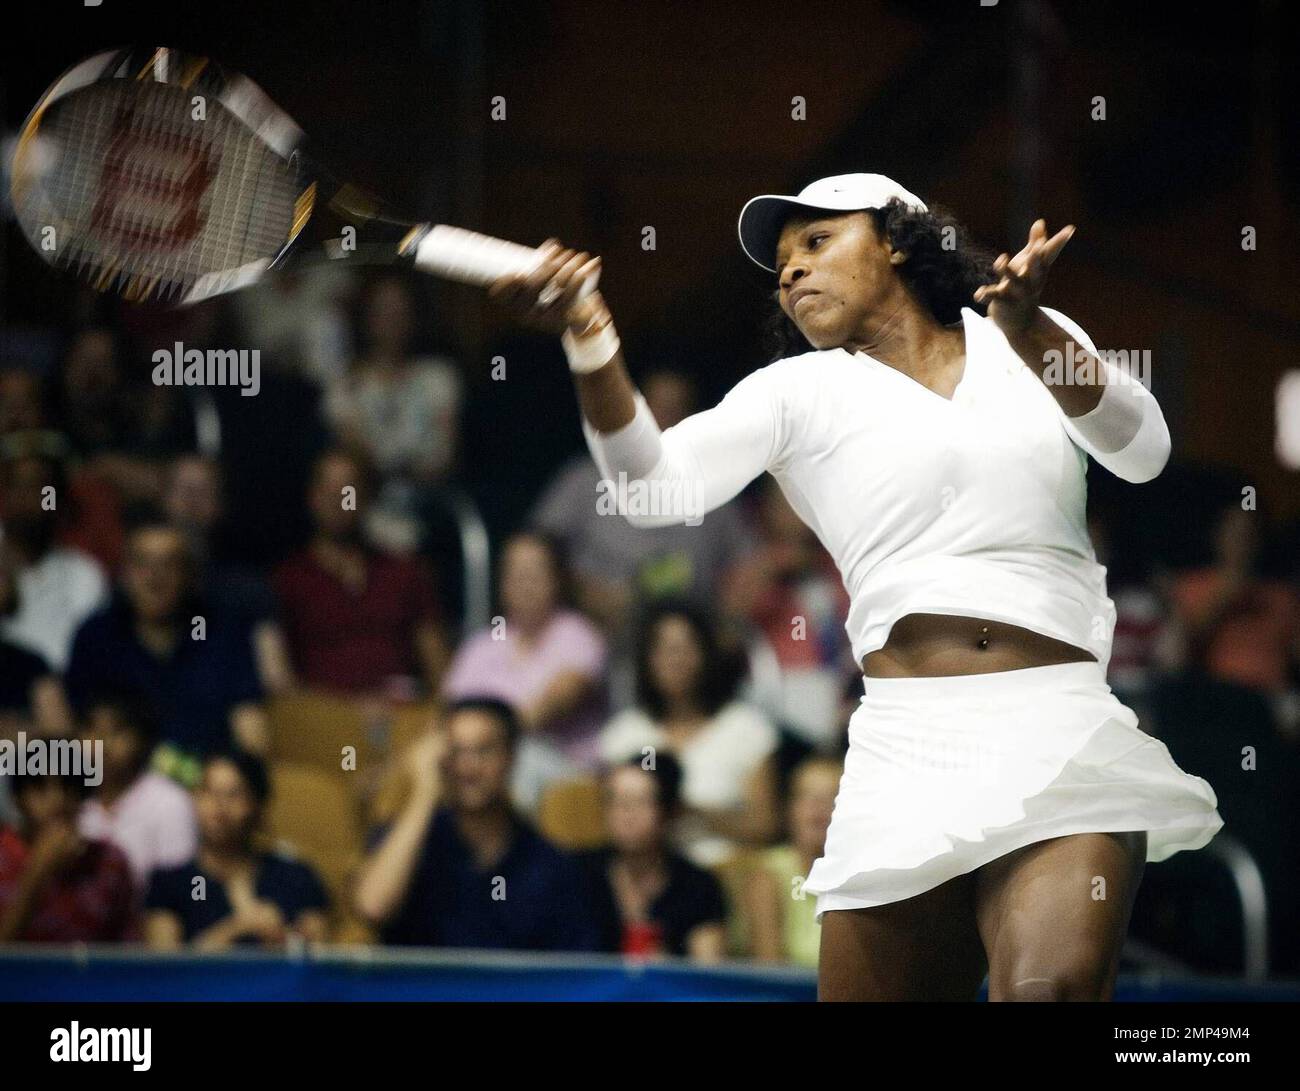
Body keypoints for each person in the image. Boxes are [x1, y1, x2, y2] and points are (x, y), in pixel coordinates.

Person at [487, 172, 1223, 1001]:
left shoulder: (1025, 342)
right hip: (902, 748)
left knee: (1046, 993)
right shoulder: (800, 391)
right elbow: (649, 487)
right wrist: (587, 333)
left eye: (816, 241)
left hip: (1057, 722)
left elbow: (1145, 449)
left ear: (899, 239)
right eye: (780, 264)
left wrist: (1033, 334)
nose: (791, 271)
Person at [354, 697, 600, 951]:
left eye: (484, 751)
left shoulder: (551, 866)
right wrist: (425, 791)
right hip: (420, 990)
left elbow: (572, 974)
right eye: (456, 751)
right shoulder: (408, 840)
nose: (468, 768)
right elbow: (373, 908)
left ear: (511, 757)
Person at [64, 519, 267, 782]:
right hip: (117, 790)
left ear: (190, 575)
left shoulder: (222, 634)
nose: (155, 577)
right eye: (142, 564)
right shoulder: (96, 637)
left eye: (168, 564)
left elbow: (251, 731)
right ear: (124, 573)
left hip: (204, 793)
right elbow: (73, 733)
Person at [599, 599, 779, 867]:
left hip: (727, 877)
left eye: (686, 647)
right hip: (646, 876)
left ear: (707, 654)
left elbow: (766, 826)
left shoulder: (747, 730)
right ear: (647, 660)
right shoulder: (623, 736)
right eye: (664, 649)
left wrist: (694, 815)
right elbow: (608, 825)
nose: (676, 660)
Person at [442, 531, 607, 811]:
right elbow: (448, 714)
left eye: (535, 573)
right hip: (487, 763)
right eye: (515, 574)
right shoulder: (483, 643)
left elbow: (555, 703)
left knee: (522, 758)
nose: (525, 584)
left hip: (568, 777)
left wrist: (485, 746)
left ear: (557, 580)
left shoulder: (578, 634)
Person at [274, 447, 450, 698]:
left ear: (366, 497)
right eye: (328, 488)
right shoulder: (289, 579)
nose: (338, 500)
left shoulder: (405, 573)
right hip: (321, 721)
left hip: (402, 720)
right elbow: (281, 684)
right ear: (311, 496)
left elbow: (439, 671)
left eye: (348, 490)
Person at [143, 752, 330, 949]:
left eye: (233, 795)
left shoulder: (295, 877)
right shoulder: (169, 883)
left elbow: (321, 956)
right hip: (203, 980)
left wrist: (285, 938)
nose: (218, 807)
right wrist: (238, 927)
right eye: (208, 792)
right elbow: (166, 968)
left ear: (257, 805)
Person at [578, 754, 728, 961]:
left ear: (670, 811)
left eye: (641, 802)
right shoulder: (575, 874)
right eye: (616, 801)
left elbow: (708, 976)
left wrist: (668, 971)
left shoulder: (698, 886)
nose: (627, 815)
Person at [76, 689, 197, 894]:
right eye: (92, 731)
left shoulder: (169, 802)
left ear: (141, 738)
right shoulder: (69, 802)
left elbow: (182, 889)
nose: (102, 745)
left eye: (116, 732)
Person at [0, 771, 136, 943]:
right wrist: (37, 873)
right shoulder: (3, 857)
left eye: (68, 784)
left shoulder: (109, 862)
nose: (58, 800)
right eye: (40, 786)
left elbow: (129, 953)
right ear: (18, 797)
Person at [743, 756, 842, 969]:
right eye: (808, 797)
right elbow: (769, 969)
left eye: (833, 798)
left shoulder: (861, 873)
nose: (820, 808)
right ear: (789, 808)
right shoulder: (769, 875)